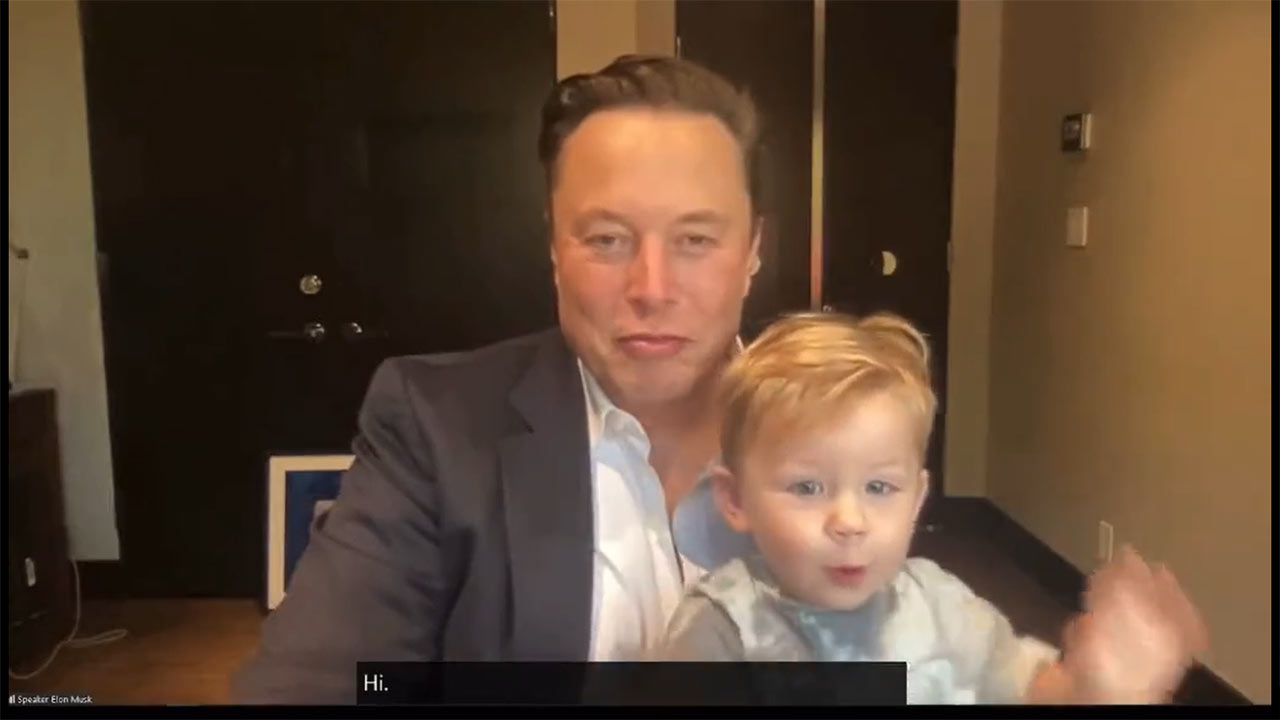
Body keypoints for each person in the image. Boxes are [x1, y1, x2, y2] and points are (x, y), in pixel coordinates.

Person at [232, 55, 763, 703]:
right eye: (607, 240)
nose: (652, 289)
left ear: (754, 250)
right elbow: (331, 683)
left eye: (695, 240)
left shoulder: (851, 424)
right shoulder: (435, 426)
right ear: (554, 248)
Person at [658, 311, 1210, 704]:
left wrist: (1099, 688)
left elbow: (1032, 691)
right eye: (807, 488)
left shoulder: (940, 605)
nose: (849, 522)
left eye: (879, 488)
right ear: (736, 499)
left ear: (917, 498)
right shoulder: (722, 629)